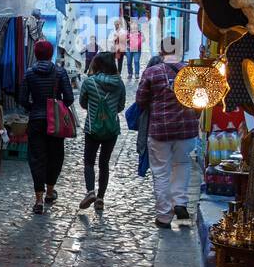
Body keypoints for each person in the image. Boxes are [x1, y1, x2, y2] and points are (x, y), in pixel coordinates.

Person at [136, 47, 199, 228]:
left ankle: (164, 216)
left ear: (162, 53)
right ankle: (180, 203)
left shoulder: (152, 72)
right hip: (186, 129)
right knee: (182, 165)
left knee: (161, 171)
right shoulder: (190, 72)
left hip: (160, 129)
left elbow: (141, 100)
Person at [18, 39, 74, 215]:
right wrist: (58, 106)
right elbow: (70, 98)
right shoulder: (59, 72)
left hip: (36, 120)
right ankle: (50, 191)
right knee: (55, 156)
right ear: (51, 53)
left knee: (36, 157)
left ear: (35, 54)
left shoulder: (29, 73)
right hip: (55, 121)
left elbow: (22, 99)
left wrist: (33, 108)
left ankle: (39, 199)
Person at [77, 53, 126, 212]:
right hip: (111, 129)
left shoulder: (89, 82)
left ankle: (90, 191)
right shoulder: (119, 84)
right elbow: (121, 106)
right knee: (104, 164)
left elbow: (83, 103)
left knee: (89, 162)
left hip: (92, 129)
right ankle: (100, 198)